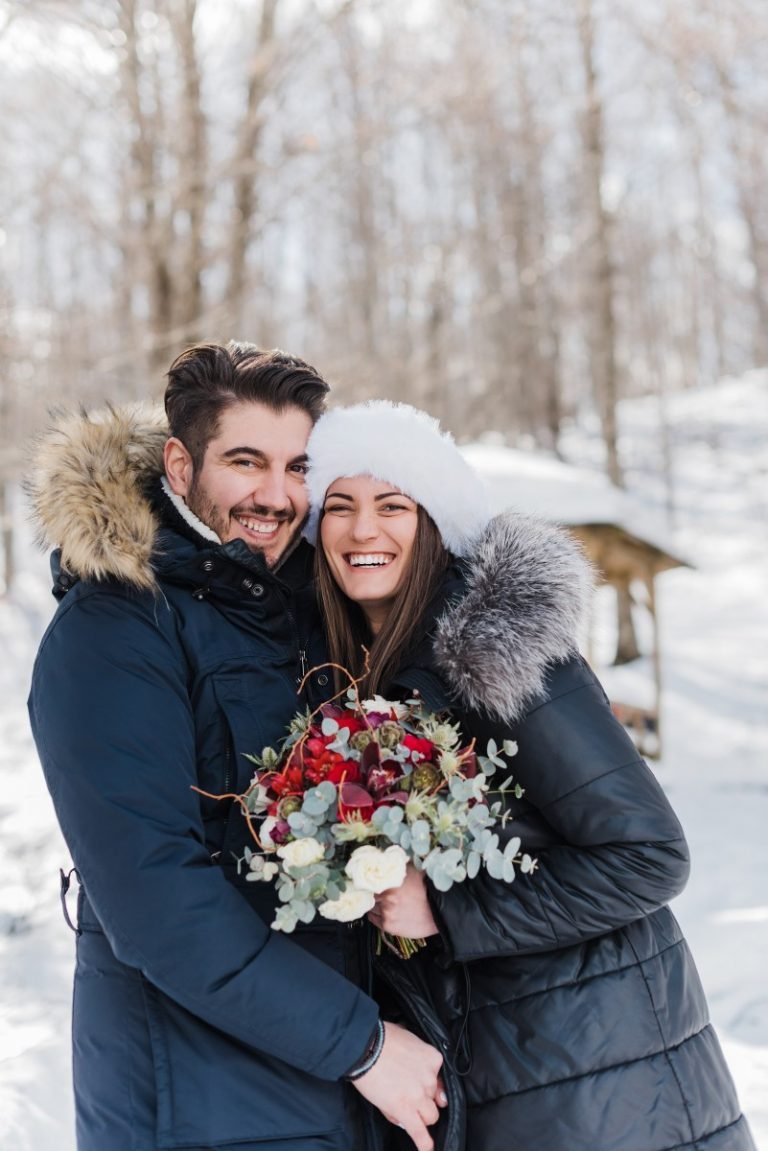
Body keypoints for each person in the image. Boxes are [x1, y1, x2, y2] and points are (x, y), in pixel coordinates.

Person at [303, 399, 757, 1151]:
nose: (362, 530)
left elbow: (648, 855)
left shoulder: (496, 650)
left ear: (435, 522)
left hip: (605, 1073)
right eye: (339, 507)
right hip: (510, 1069)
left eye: (392, 504)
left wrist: (451, 912)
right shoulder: (357, 675)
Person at [26, 345, 445, 1151]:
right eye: (246, 462)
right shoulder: (117, 628)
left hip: (320, 1084)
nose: (278, 495)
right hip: (194, 1100)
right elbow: (155, 902)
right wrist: (362, 1045)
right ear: (179, 465)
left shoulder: (305, 609)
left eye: (298, 467)